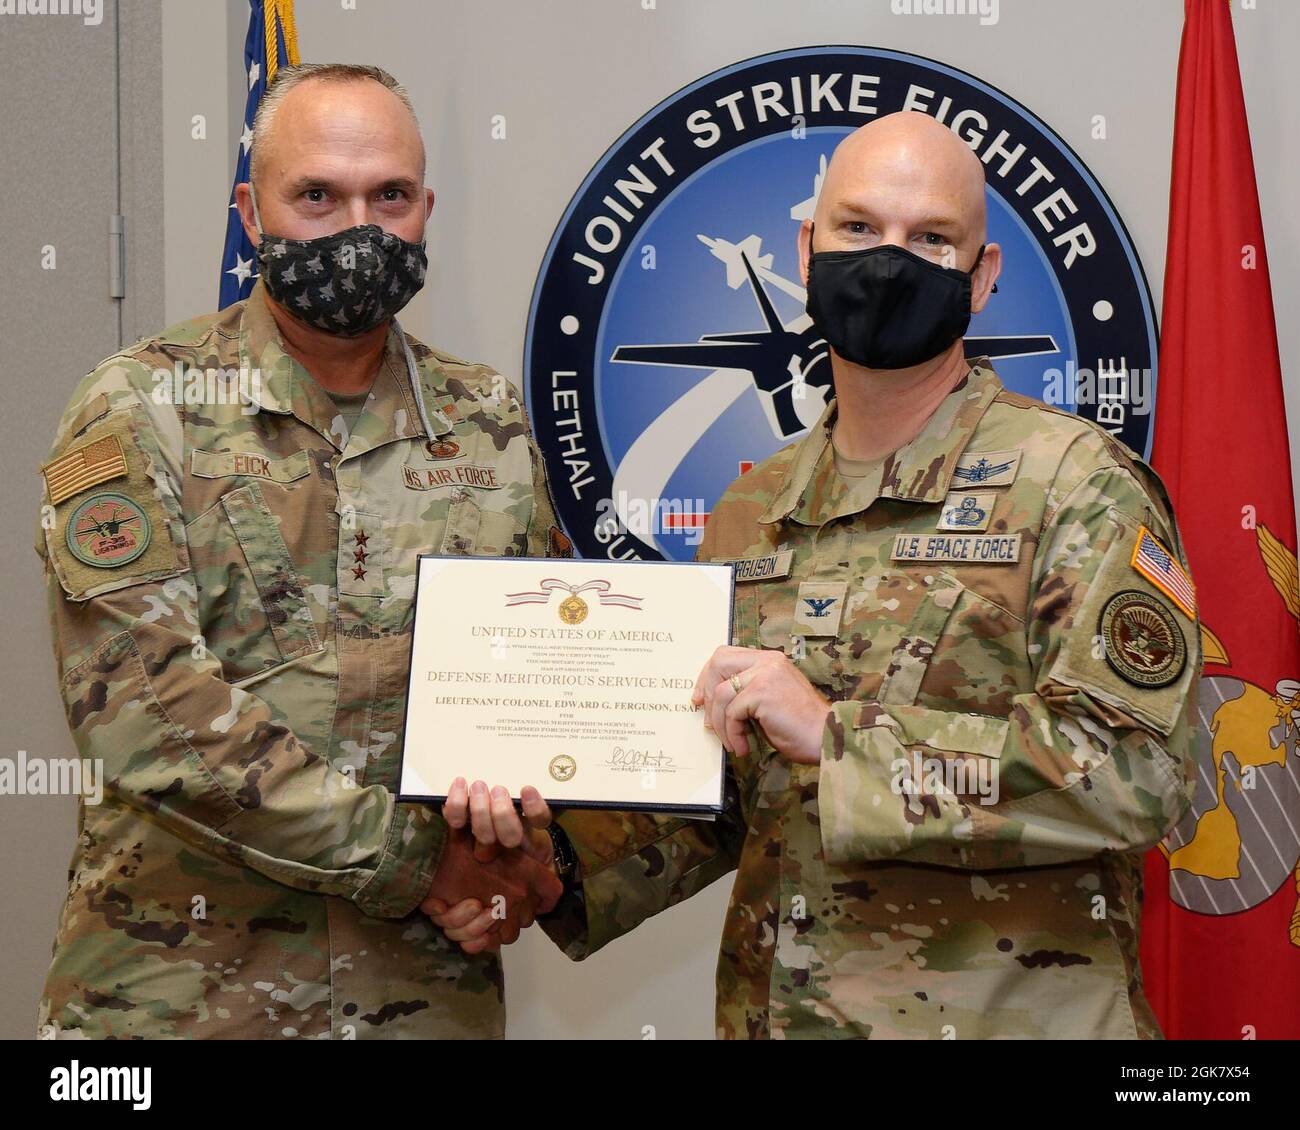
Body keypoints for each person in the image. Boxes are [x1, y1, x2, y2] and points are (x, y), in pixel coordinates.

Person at [434, 111, 1202, 1040]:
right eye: (859, 228)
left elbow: (1138, 775)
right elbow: (722, 794)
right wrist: (545, 871)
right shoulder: (751, 508)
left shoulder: (1076, 487)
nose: (889, 259)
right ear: (807, 248)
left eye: (931, 238)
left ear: (983, 277)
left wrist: (840, 737)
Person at [34, 62, 564, 1040]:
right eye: (315, 194)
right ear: (251, 210)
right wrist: (419, 863)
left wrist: (529, 861)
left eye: (388, 196)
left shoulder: (486, 421)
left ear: (424, 208)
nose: (356, 225)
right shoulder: (142, 405)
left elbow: (535, 693)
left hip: (422, 999)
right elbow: (150, 715)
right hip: (178, 1006)